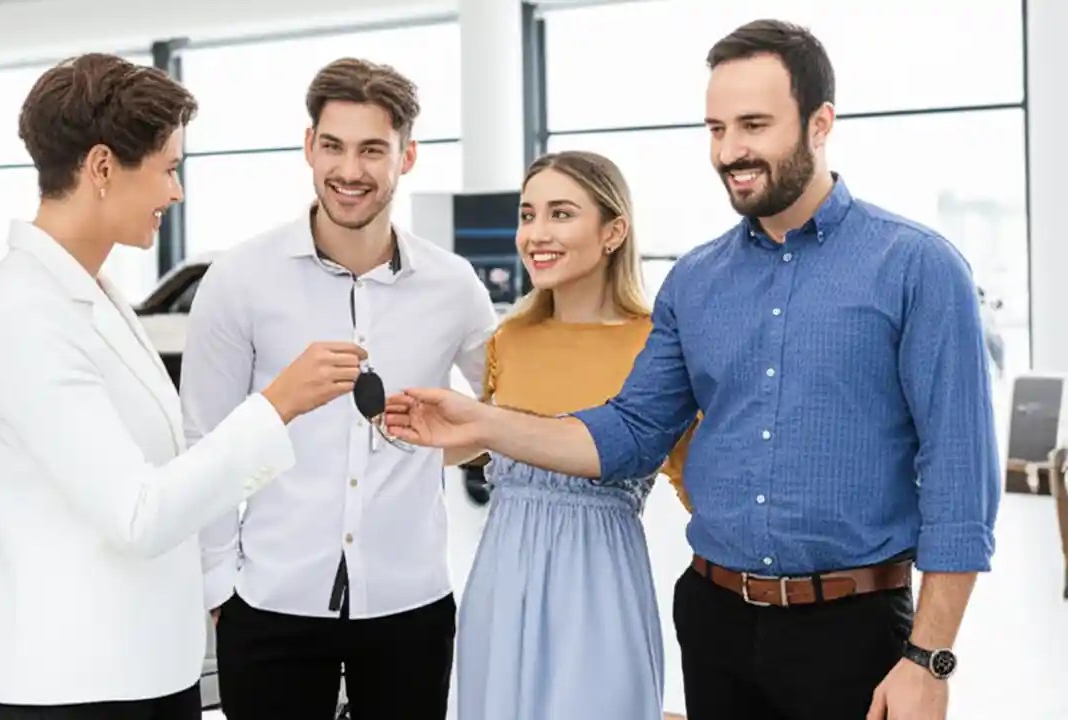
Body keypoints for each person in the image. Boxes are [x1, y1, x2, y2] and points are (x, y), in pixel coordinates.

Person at [385, 19, 1000, 720]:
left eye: (754, 125)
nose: (730, 151)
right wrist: (482, 421)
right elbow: (630, 434)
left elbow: (960, 481)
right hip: (714, 622)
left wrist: (929, 659)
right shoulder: (695, 282)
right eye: (715, 128)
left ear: (820, 123)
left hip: (852, 630)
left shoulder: (917, 267)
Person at [0, 53, 366, 720]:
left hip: (142, 671)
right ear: (100, 168)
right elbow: (138, 513)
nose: (175, 192)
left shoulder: (89, 291)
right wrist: (277, 405)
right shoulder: (28, 314)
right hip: (82, 688)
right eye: (169, 168)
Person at [179, 57, 496, 719]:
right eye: (334, 146)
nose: (350, 171)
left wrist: (454, 443)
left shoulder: (453, 286)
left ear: (407, 158)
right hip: (268, 601)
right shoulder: (241, 280)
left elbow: (501, 417)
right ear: (308, 147)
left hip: (410, 603)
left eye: (373, 150)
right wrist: (219, 585)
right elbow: (202, 437)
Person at [448, 149, 695, 720]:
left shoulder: (656, 346)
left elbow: (700, 488)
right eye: (527, 214)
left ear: (613, 231)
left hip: (601, 599)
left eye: (560, 213)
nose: (536, 233)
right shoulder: (508, 340)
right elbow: (487, 440)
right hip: (500, 591)